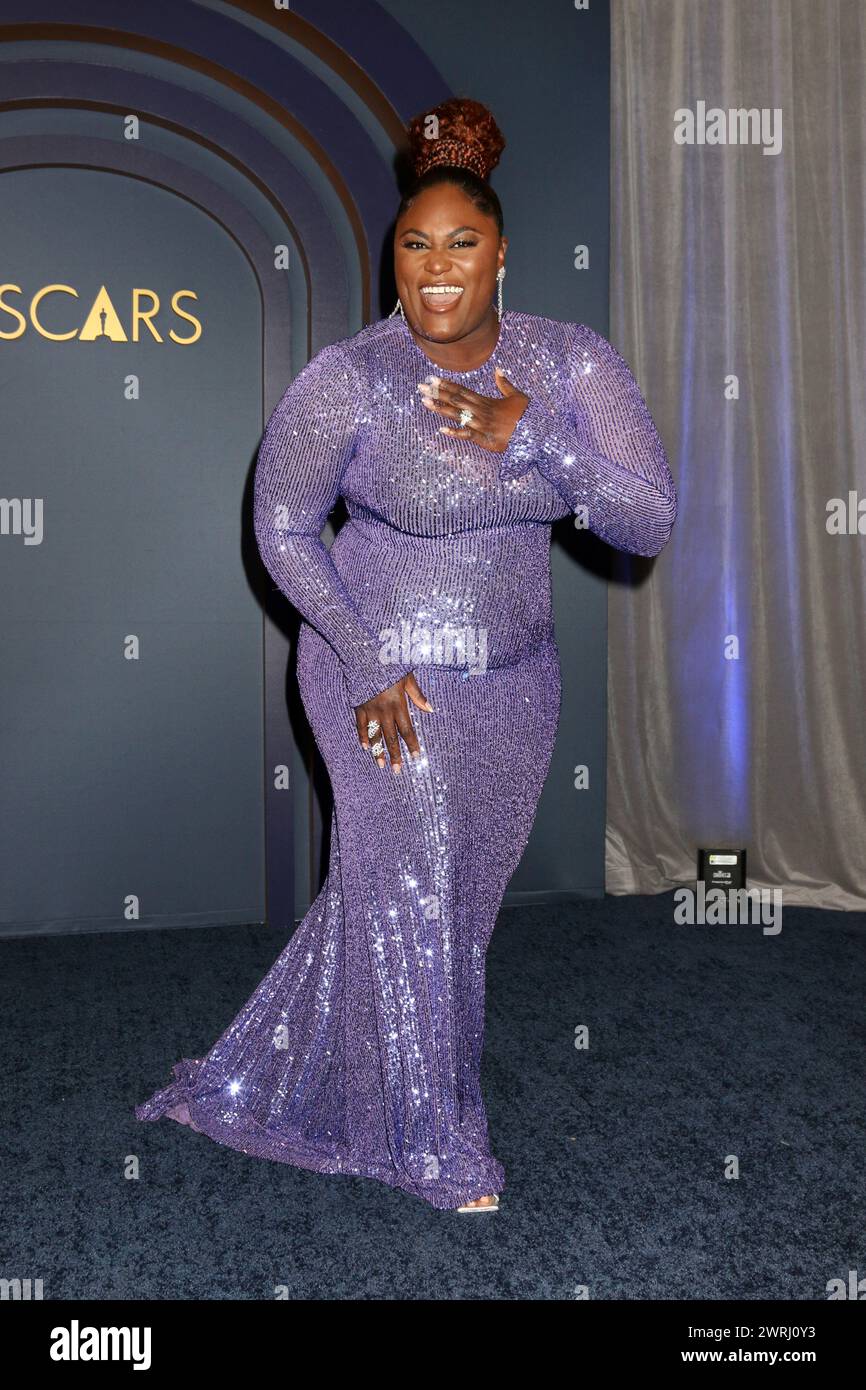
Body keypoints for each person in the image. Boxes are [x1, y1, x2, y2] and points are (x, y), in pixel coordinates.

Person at [135, 96, 677, 1213]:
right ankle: (435, 1144)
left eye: (460, 242)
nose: (436, 268)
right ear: (395, 256)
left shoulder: (570, 365)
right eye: (414, 244)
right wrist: (367, 654)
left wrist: (530, 436)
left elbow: (647, 519)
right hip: (372, 672)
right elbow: (282, 527)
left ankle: (311, 1081)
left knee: (443, 908)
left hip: (517, 682)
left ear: (500, 251)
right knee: (412, 899)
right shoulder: (349, 376)